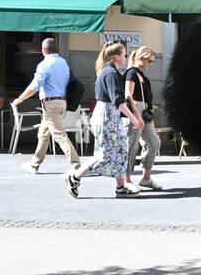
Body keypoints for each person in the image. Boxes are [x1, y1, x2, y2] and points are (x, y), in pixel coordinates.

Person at [66, 42, 142, 198]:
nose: (126, 57)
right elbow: (118, 101)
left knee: (121, 150)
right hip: (106, 117)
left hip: (111, 116)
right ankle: (74, 177)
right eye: (124, 54)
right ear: (116, 57)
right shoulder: (110, 73)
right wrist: (133, 118)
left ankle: (121, 187)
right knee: (104, 155)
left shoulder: (109, 71)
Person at [11, 37, 80, 174]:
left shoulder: (44, 64)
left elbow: (34, 86)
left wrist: (19, 99)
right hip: (62, 102)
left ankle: (76, 164)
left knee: (59, 134)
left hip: (50, 103)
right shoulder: (63, 62)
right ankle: (34, 165)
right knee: (43, 133)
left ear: (43, 50)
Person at [124, 47, 162, 190]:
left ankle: (146, 178)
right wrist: (136, 114)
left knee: (154, 143)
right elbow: (128, 95)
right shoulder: (132, 73)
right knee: (131, 146)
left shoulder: (139, 74)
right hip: (136, 112)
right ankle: (126, 181)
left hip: (144, 113)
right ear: (141, 57)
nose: (150, 64)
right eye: (149, 61)